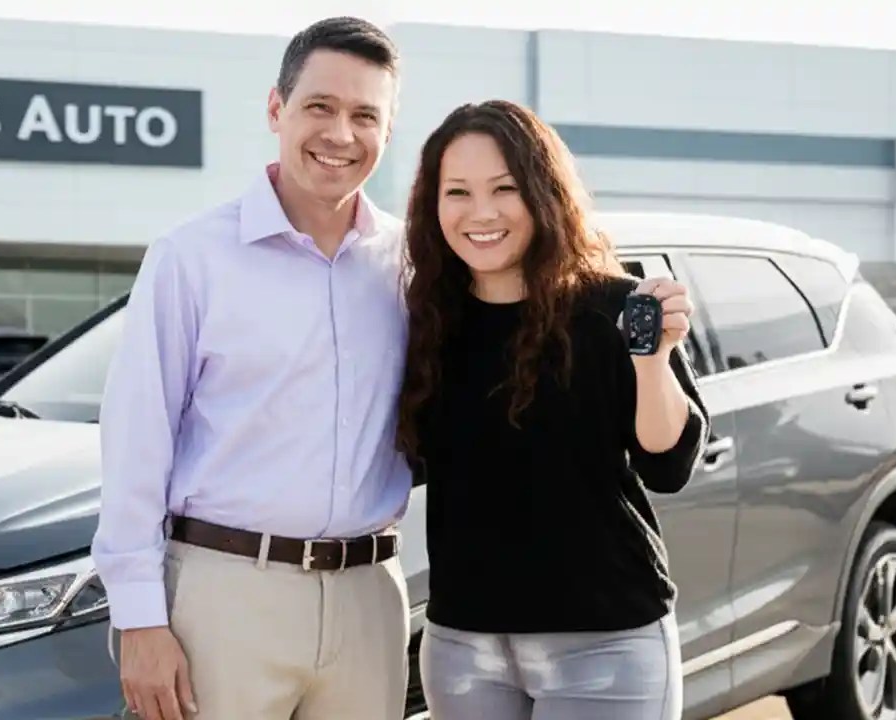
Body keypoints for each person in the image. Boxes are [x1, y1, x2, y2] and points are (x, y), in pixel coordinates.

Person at [92, 16, 412, 720]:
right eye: (320, 106)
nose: (341, 134)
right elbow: (136, 441)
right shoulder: (191, 258)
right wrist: (139, 619)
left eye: (366, 115)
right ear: (276, 109)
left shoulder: (411, 265)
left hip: (369, 602)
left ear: (388, 130)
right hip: (224, 596)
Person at [395, 99, 710, 720]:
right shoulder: (427, 320)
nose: (481, 213)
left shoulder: (612, 308)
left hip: (604, 647)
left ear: (543, 193)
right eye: (457, 192)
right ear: (432, 205)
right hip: (463, 648)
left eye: (504, 188)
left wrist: (652, 359)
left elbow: (668, 464)